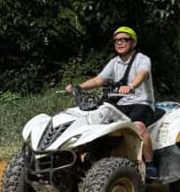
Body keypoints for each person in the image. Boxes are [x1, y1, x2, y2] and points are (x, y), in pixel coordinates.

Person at [66, 26, 159, 178]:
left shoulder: (142, 59)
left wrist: (131, 86)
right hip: (120, 105)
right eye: (116, 41)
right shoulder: (114, 62)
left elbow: (143, 74)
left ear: (133, 43)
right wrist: (78, 87)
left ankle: (149, 163)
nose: (119, 43)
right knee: (95, 122)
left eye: (124, 39)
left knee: (138, 127)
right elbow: (99, 80)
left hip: (141, 103)